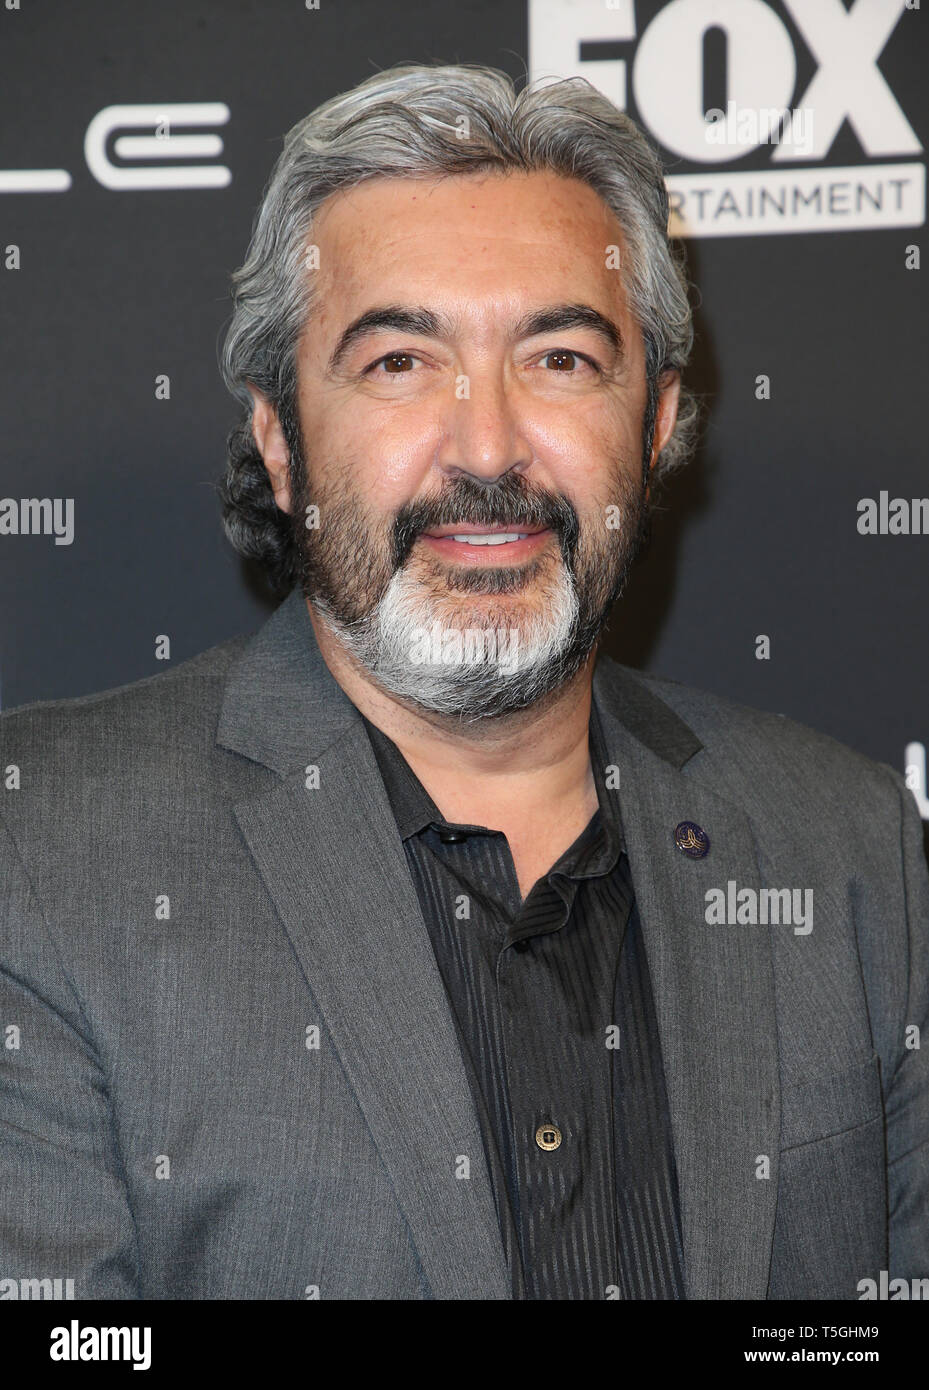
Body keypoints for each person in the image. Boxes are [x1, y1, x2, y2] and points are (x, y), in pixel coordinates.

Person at [1, 63, 926, 1301]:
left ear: (652, 428)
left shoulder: (853, 850)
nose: (485, 445)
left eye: (557, 358)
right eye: (396, 363)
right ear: (280, 441)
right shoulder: (43, 852)